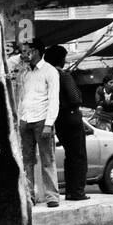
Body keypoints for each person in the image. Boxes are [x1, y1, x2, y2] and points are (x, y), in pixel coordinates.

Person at [18, 39, 60, 207]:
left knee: (47, 160)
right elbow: (21, 97)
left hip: (42, 120)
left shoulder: (49, 71)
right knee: (27, 161)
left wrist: (49, 123)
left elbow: (54, 99)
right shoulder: (24, 72)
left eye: (26, 50)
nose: (23, 53)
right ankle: (29, 197)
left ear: (35, 51)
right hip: (25, 120)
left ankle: (52, 197)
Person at [45, 45, 87, 202]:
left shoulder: (47, 75)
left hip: (58, 119)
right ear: (60, 59)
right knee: (78, 155)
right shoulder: (63, 75)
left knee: (70, 155)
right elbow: (76, 98)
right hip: (71, 117)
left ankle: (71, 191)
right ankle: (77, 192)